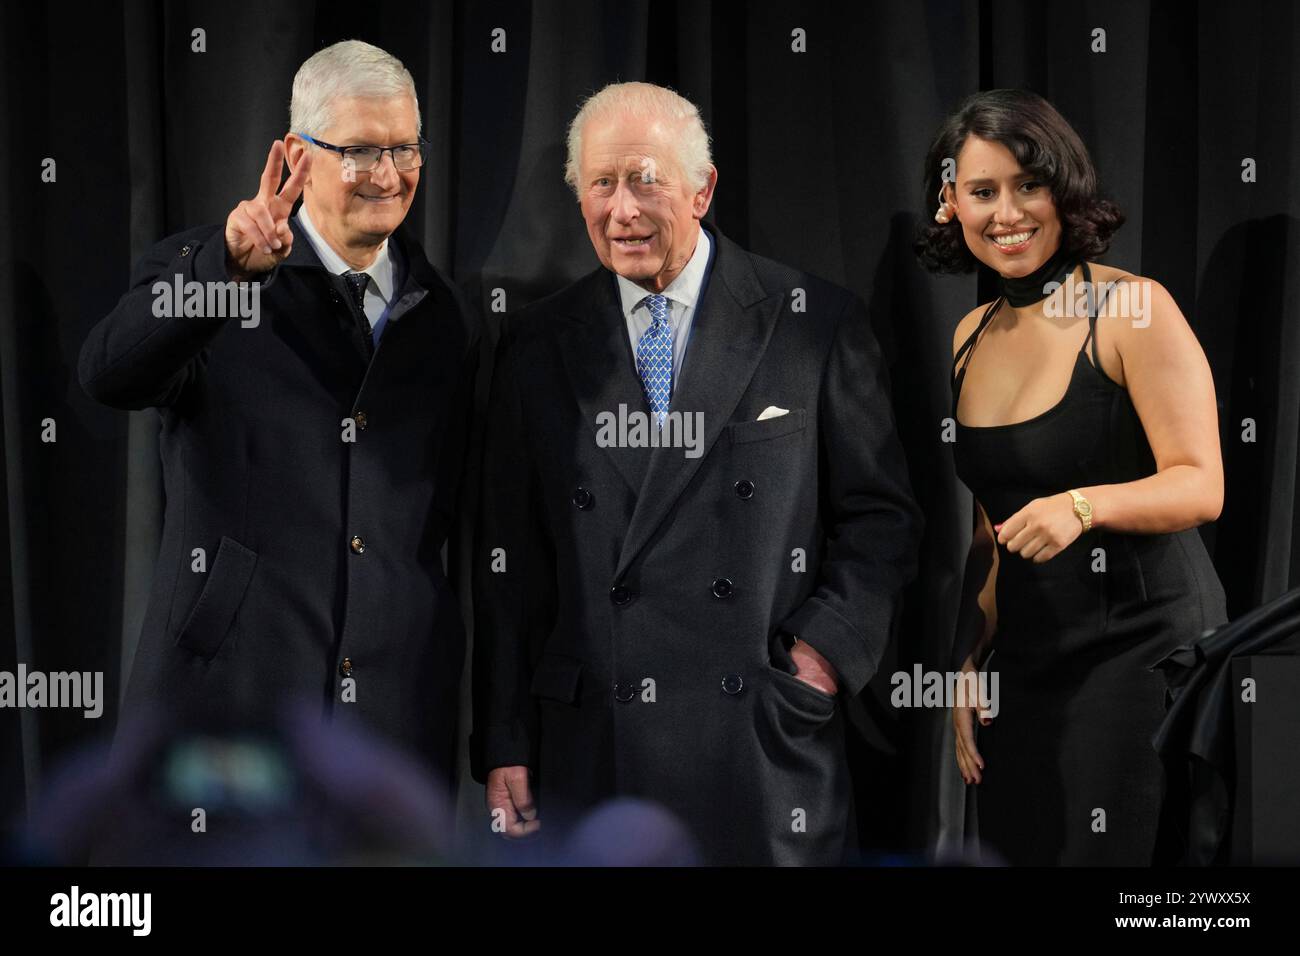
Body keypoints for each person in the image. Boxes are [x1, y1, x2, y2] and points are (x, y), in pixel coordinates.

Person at [472, 81, 921, 865]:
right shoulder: (538, 344)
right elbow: (510, 560)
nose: (622, 210)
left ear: (702, 189)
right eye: (601, 185)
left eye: (645, 180)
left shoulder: (812, 322)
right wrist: (505, 736)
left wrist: (817, 661)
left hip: (760, 744)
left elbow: (881, 520)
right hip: (593, 748)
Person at [78, 40, 480, 784]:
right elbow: (109, 375)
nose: (388, 176)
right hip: (230, 709)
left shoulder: (450, 315)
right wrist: (223, 271)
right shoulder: (212, 272)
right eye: (361, 151)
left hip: (392, 729)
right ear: (298, 153)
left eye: (405, 149)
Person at [916, 89, 1227, 865]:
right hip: (1025, 661)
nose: (1008, 211)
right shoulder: (968, 335)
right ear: (950, 203)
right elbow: (992, 525)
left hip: (1138, 650)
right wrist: (965, 660)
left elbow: (1200, 485)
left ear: (1065, 188)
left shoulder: (1132, 310)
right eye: (982, 192)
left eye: (1029, 184)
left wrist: (1083, 507)